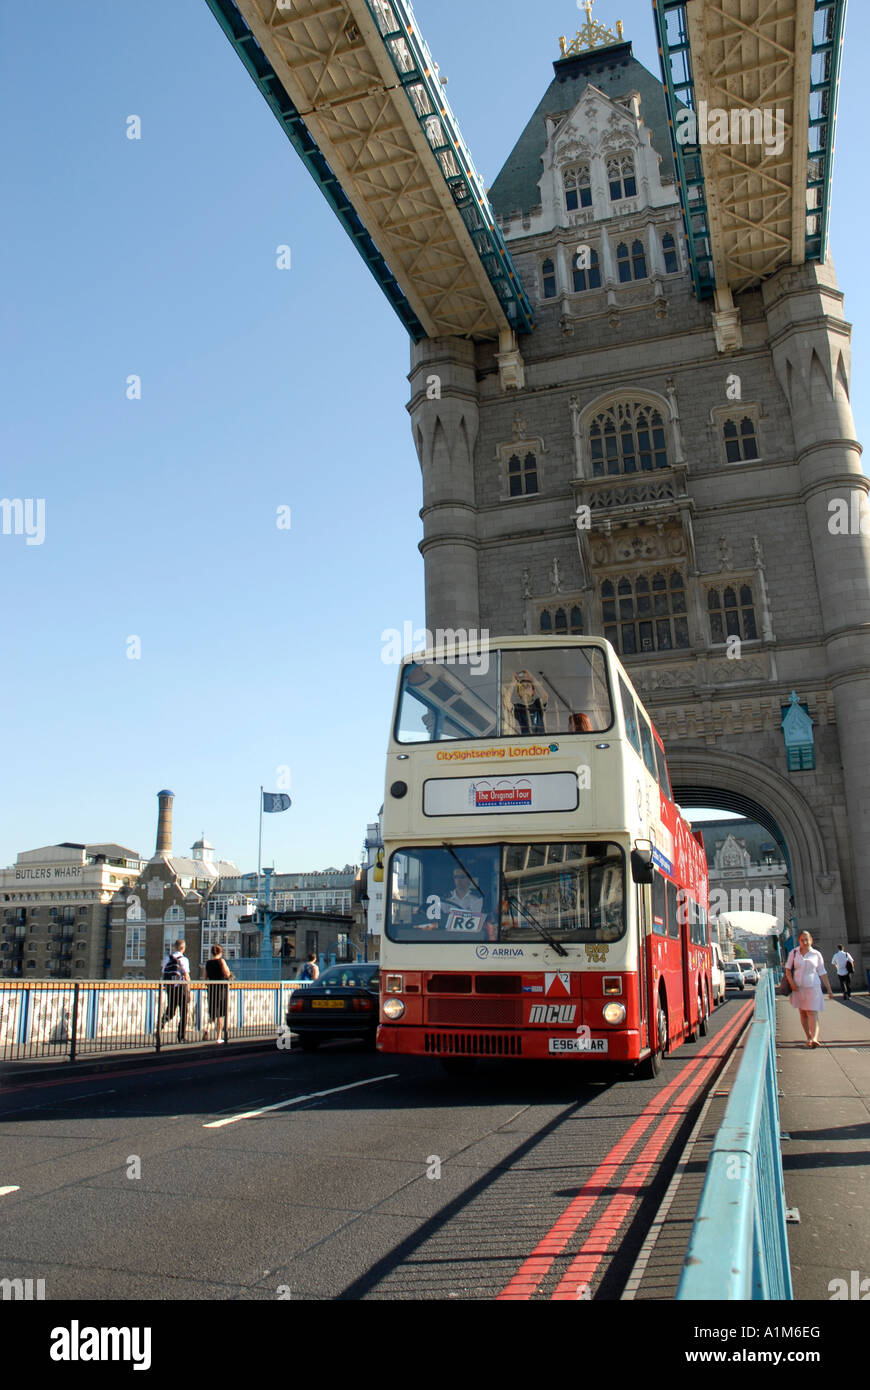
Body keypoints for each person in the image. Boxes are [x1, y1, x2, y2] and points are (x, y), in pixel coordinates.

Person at [785, 931, 833, 1047]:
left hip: (813, 987)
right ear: (799, 941)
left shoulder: (816, 954)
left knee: (812, 1012)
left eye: (807, 940)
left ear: (811, 940)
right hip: (798, 988)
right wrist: (792, 984)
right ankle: (808, 1037)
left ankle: (815, 1038)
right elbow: (787, 970)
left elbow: (822, 972)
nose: (805, 942)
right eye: (802, 940)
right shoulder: (794, 953)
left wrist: (829, 989)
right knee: (803, 1013)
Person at [159, 938, 191, 1042]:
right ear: (183, 947)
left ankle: (161, 1024)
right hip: (181, 988)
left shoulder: (167, 959)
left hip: (170, 987)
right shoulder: (184, 959)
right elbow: (186, 975)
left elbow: (163, 972)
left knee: (171, 1010)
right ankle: (181, 1036)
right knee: (184, 1012)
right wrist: (189, 990)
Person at [203, 944, 232, 1042]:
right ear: (221, 952)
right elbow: (227, 973)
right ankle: (219, 1037)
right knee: (220, 1014)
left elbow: (204, 976)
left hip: (211, 989)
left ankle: (207, 1028)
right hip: (221, 989)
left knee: (212, 1012)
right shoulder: (221, 961)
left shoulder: (208, 963)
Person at [509, 669, 548, 735]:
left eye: (528, 686)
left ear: (533, 691)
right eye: (522, 687)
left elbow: (545, 696)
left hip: (541, 740)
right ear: (518, 693)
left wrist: (532, 678)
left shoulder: (537, 703)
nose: (525, 688)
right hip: (527, 740)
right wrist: (512, 684)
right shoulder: (518, 707)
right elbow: (506, 702)